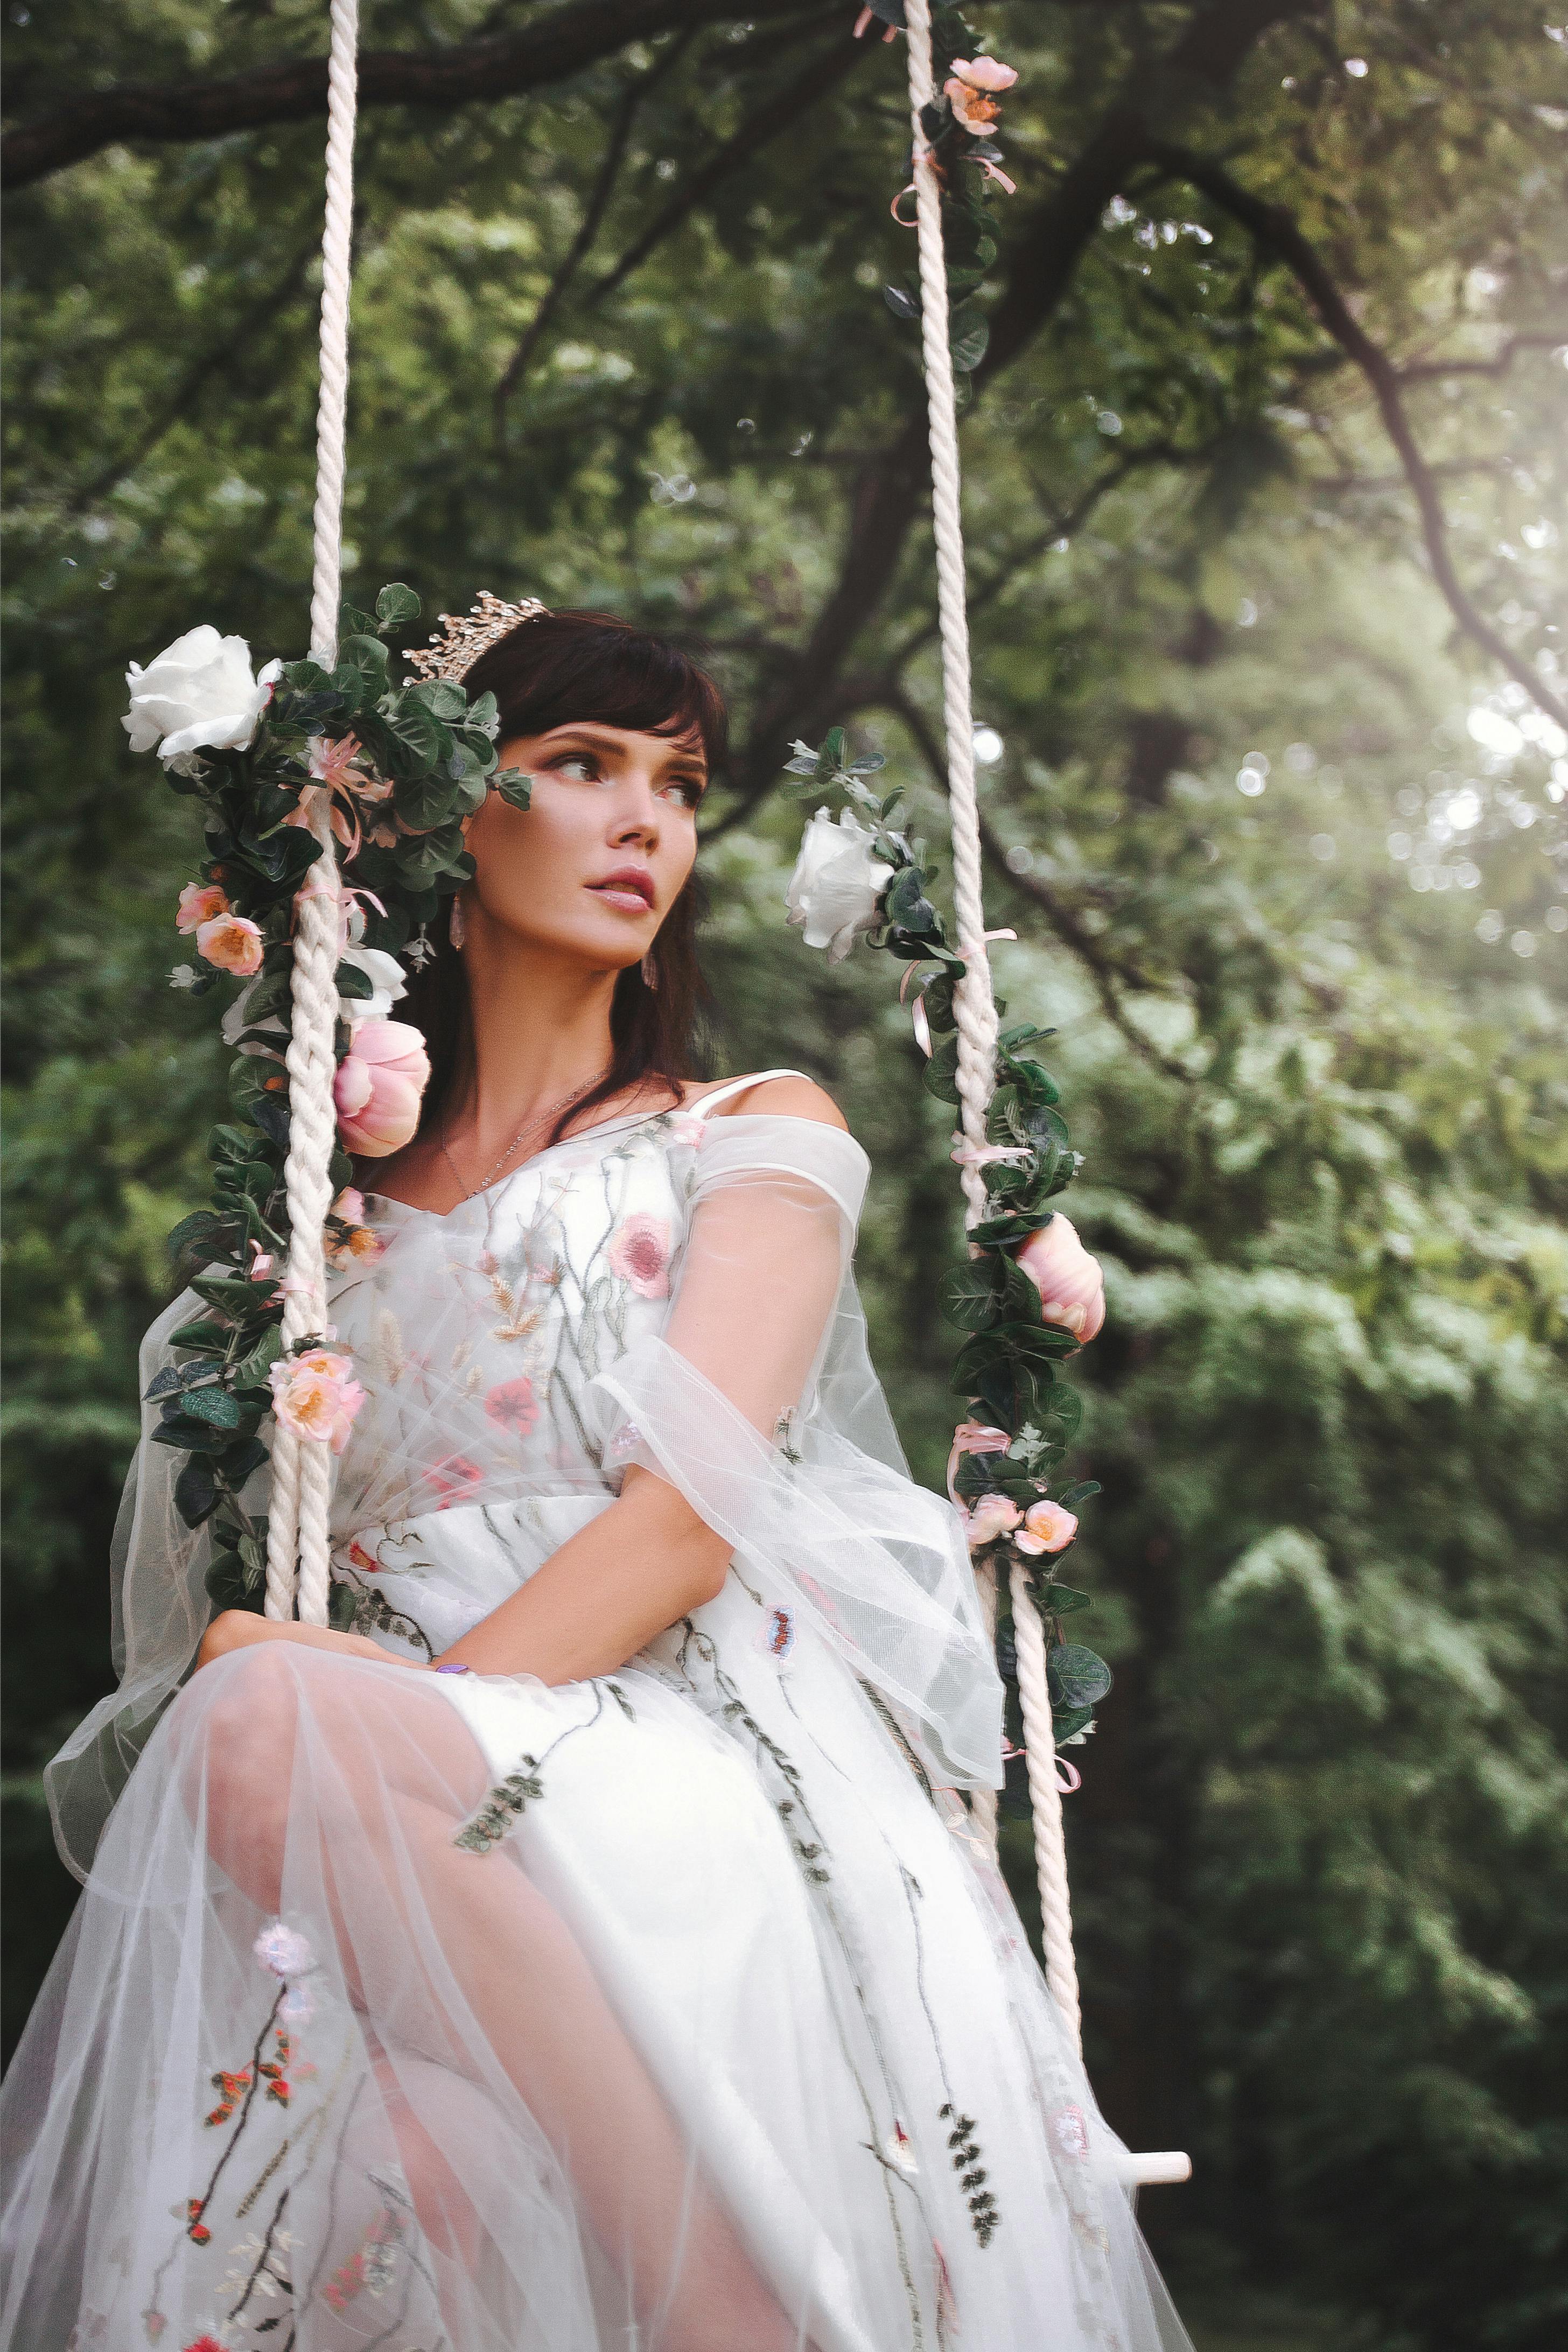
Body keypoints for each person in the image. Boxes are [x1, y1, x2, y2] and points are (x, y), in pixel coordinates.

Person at [1, 607, 1191, 2351]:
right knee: (400, 2165)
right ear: (449, 817)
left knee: (260, 1711)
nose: (647, 822)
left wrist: (358, 1722)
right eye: (577, 767)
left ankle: (733, 2317)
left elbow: (684, 1529)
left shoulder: (753, 1133)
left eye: (679, 785)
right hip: (401, 1791)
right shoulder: (312, 1245)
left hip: (667, 1744)